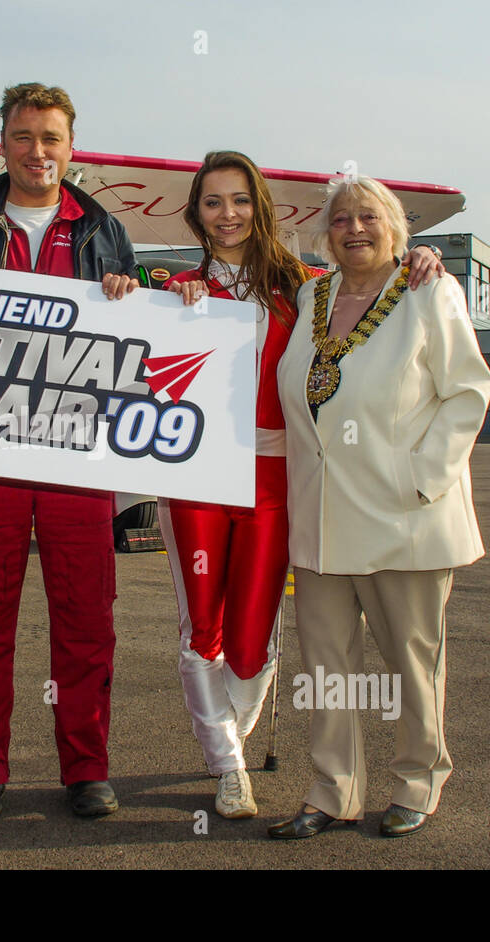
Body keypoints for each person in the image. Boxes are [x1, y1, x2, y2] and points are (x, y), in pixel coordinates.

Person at [160, 153, 442, 819]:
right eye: (211, 202)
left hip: (278, 479)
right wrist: (151, 295)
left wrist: (423, 261)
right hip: (197, 477)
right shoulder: (173, 290)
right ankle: (228, 764)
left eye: (238, 200)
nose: (226, 215)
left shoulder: (308, 288)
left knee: (253, 638)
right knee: (202, 626)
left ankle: (226, 725)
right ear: (196, 214)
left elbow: (376, 281)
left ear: (261, 207)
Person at [0, 82, 140, 820]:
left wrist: (134, 291)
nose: (37, 151)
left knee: (86, 619)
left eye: (51, 139)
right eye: (23, 136)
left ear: (72, 148)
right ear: (1, 142)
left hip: (77, 453)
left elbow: (133, 333)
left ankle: (87, 768)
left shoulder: (104, 228)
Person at [270, 175, 490, 839]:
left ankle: (418, 783)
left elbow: (467, 391)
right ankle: (332, 790)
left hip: (405, 517)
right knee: (328, 667)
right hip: (321, 519)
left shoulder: (428, 291)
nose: (354, 228)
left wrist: (424, 480)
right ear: (326, 233)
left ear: (397, 228)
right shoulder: (314, 293)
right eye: (340, 219)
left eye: (368, 217)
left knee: (410, 664)